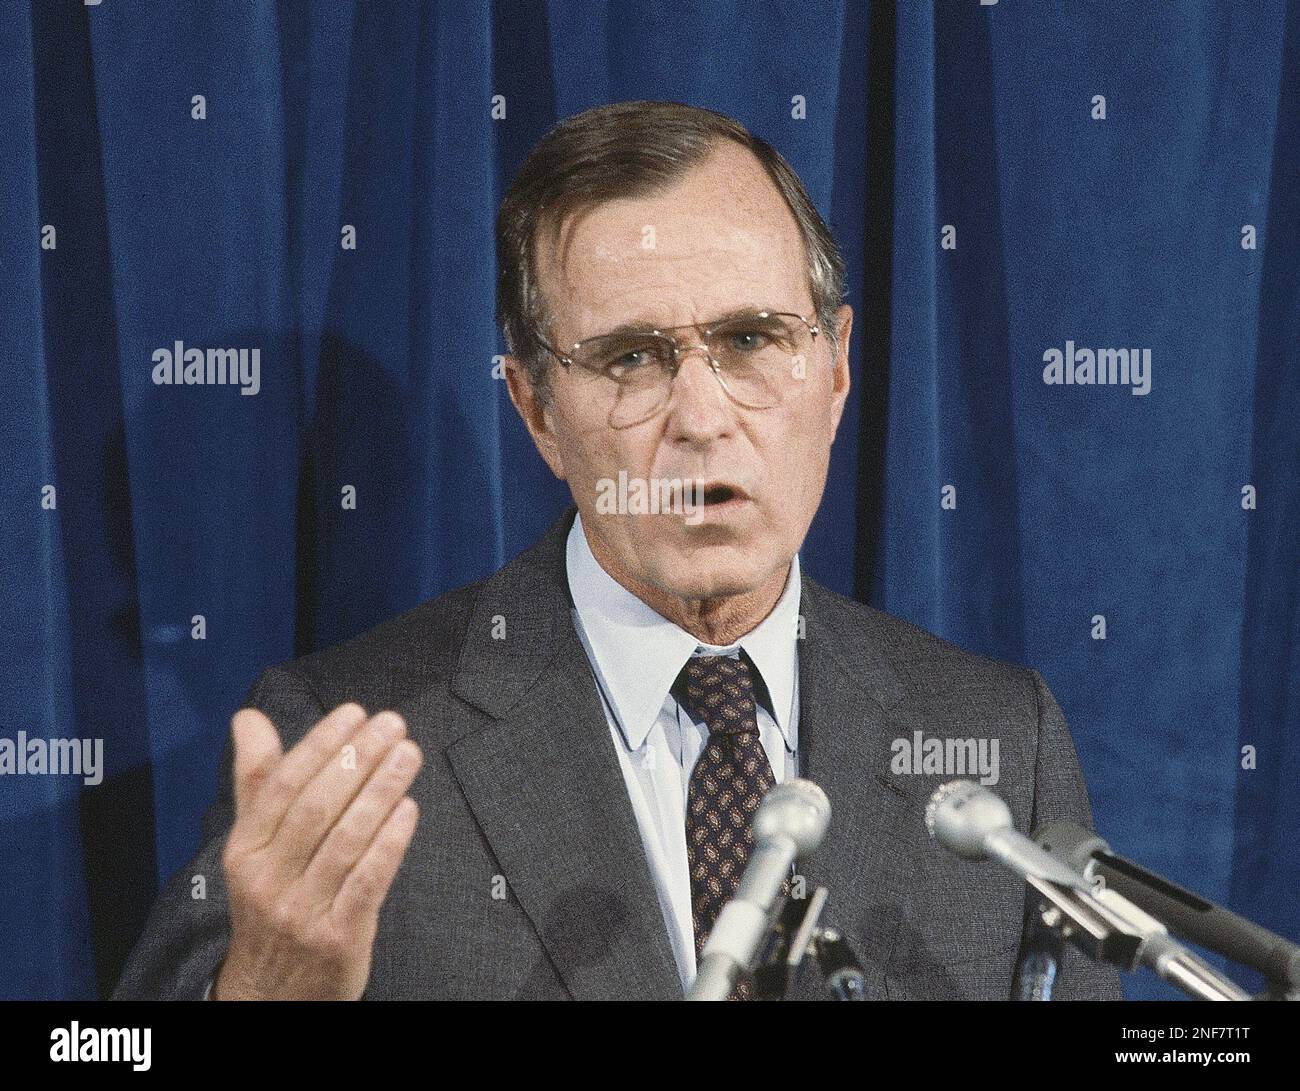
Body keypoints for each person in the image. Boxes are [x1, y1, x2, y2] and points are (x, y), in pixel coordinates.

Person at [113, 101, 1122, 1001]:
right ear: (537, 409)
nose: (699, 416)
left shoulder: (999, 742)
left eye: (750, 340)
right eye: (630, 357)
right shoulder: (347, 746)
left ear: (836, 367)